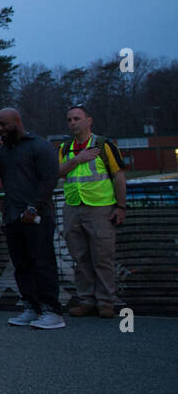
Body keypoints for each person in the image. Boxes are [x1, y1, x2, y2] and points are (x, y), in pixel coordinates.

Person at [0, 108, 64, 330]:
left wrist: (34, 207)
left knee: (42, 262)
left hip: (36, 215)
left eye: (4, 125)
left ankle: (52, 310)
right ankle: (32, 306)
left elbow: (49, 180)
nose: (0, 129)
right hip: (12, 215)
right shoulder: (4, 150)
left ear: (17, 122)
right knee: (21, 264)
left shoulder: (39, 146)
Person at [58, 105, 127, 318]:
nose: (72, 123)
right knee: (80, 257)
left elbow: (119, 177)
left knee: (102, 257)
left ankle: (105, 302)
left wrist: (121, 207)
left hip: (100, 208)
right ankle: (87, 300)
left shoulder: (104, 145)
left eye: (77, 118)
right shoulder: (65, 147)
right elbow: (58, 173)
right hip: (73, 207)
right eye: (69, 119)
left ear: (89, 120)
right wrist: (77, 159)